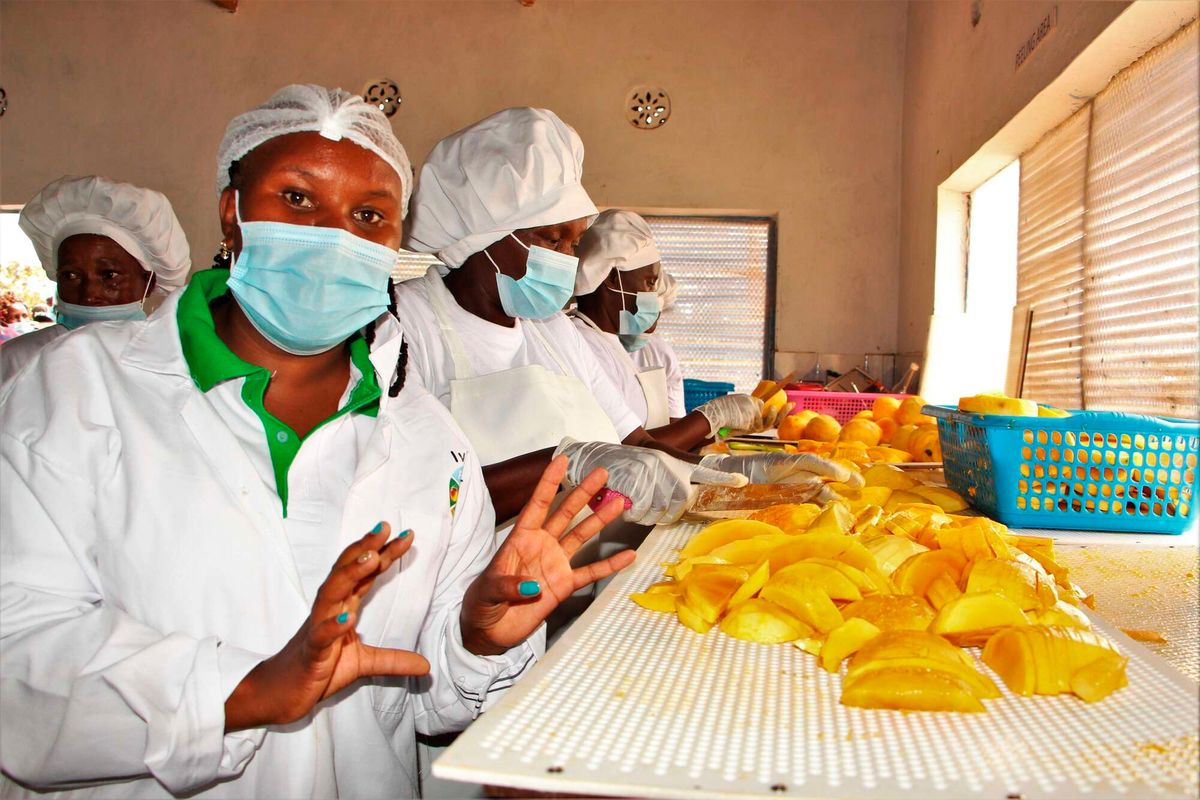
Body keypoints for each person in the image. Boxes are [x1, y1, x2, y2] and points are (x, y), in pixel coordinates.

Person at [0, 84, 632, 799]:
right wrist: (244, 693)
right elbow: (17, 655)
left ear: (393, 242)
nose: (335, 237)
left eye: (368, 216)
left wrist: (476, 637)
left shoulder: (428, 440)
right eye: (298, 199)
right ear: (232, 212)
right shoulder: (72, 392)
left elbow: (425, 698)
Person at [394, 108, 799, 529]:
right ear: (484, 236)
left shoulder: (554, 331)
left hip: (587, 559)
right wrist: (563, 466)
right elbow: (423, 497)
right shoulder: (407, 326)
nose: (567, 260)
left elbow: (636, 443)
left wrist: (737, 476)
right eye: (553, 239)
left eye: (574, 243)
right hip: (488, 568)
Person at [573, 209, 792, 451]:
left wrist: (724, 429)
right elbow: (628, 449)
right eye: (649, 283)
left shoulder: (609, 343)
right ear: (612, 278)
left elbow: (658, 440)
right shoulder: (583, 344)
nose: (653, 295)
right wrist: (713, 415)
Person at [0, 176, 191, 382]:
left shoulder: (177, 363)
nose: (89, 294)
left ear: (148, 282)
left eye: (109, 275)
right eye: (71, 276)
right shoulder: (17, 360)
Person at [625, 270, 686, 421]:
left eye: (654, 318)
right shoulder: (588, 343)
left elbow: (674, 421)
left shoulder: (660, 353)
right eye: (640, 316)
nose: (649, 328)